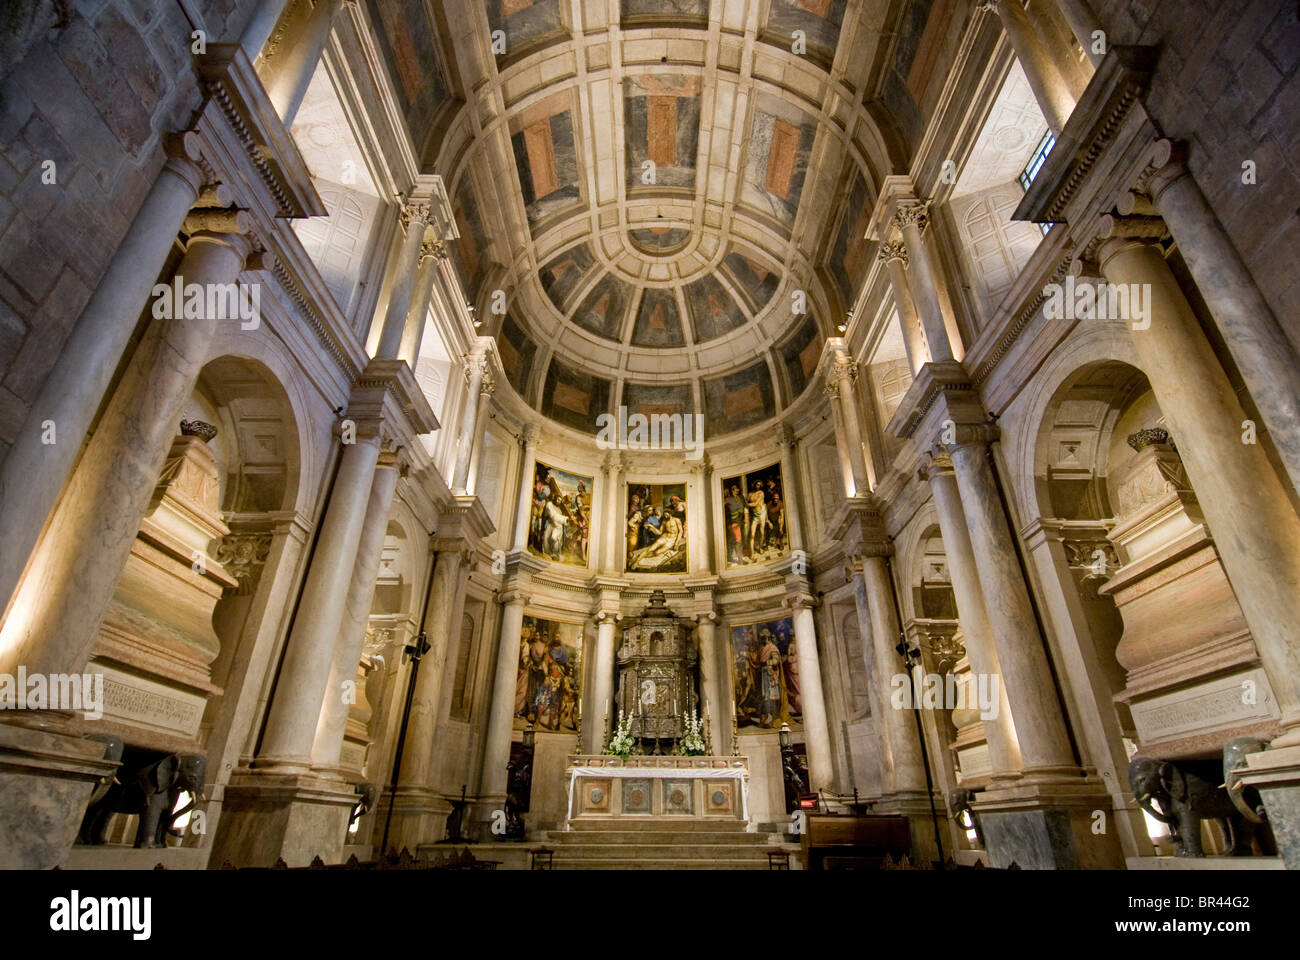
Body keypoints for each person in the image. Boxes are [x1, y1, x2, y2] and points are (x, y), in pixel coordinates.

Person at [725, 484, 745, 564]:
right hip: (732, 522)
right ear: (733, 490)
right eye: (736, 489)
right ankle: (740, 560)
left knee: (734, 540)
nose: (738, 490)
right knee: (738, 541)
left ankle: (731, 557)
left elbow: (742, 508)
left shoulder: (739, 498)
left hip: (738, 521)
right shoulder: (728, 499)